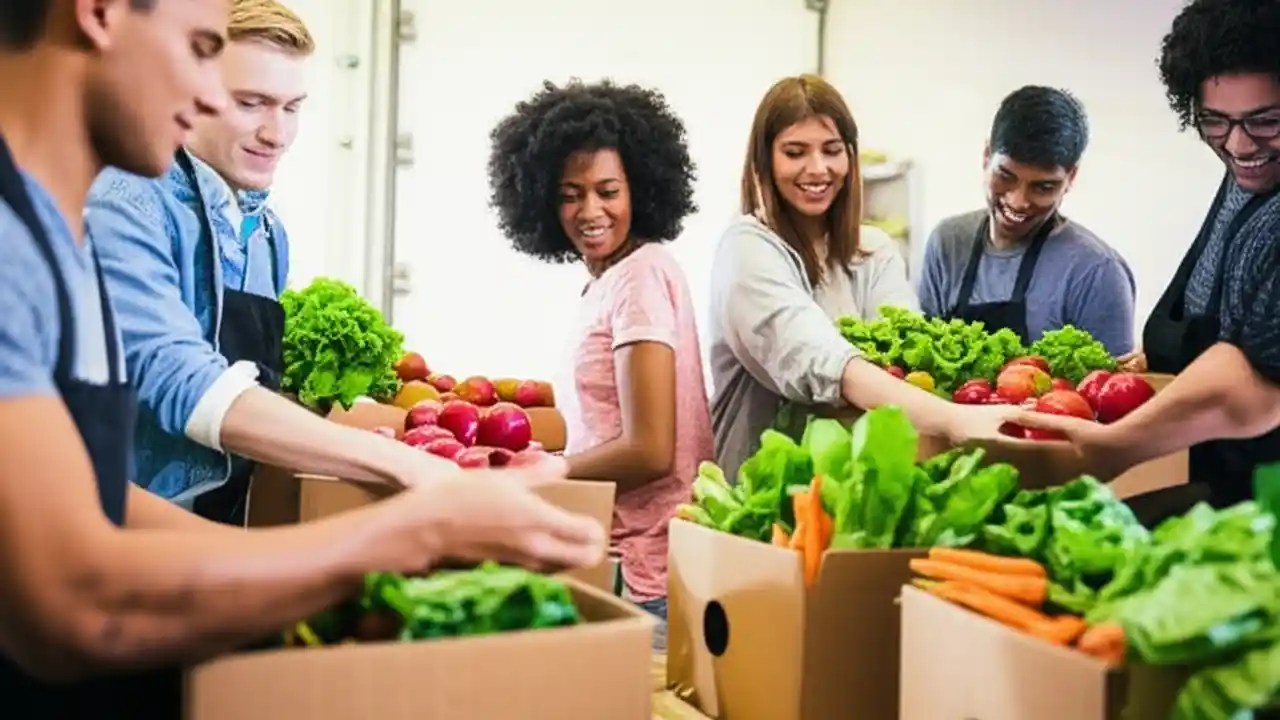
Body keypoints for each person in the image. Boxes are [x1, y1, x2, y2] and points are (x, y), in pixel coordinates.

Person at [0, 2, 604, 716]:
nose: (209, 103)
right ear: (98, 13)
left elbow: (101, 504)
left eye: (291, 105)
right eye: (201, 52)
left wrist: (374, 543)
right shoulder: (71, 220)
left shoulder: (58, 233)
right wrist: (412, 525)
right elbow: (72, 601)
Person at [83, 0, 442, 524]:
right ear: (193, 89)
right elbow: (179, 380)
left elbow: (251, 385)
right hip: (118, 540)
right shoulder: (126, 201)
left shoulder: (267, 235)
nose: (277, 134)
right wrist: (398, 465)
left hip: (217, 530)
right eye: (251, 103)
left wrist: (355, 423)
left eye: (292, 107)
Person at [1018, 0, 1280, 514]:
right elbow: (1216, 306)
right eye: (1215, 121)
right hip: (1223, 481)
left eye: (1265, 121)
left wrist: (1112, 448)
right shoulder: (1250, 174)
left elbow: (1256, 387)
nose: (1239, 144)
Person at [487, 79, 712, 647]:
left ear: (641, 187)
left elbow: (651, 447)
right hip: (631, 557)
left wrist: (552, 469)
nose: (590, 210)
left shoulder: (639, 276)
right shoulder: (611, 281)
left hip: (648, 570)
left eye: (607, 190)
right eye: (569, 194)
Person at [708, 74, 1012, 482]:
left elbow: (903, 357)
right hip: (760, 488)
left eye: (832, 150)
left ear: (851, 156)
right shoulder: (748, 247)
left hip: (859, 483)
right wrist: (954, 420)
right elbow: (821, 361)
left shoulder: (874, 250)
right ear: (765, 160)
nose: (818, 169)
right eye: (795, 152)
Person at [918, 85, 1137, 354]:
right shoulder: (947, 243)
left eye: (1043, 187)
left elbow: (1112, 389)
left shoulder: (1096, 272)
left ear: (1071, 178)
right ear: (986, 156)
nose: (1018, 201)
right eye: (1005, 176)